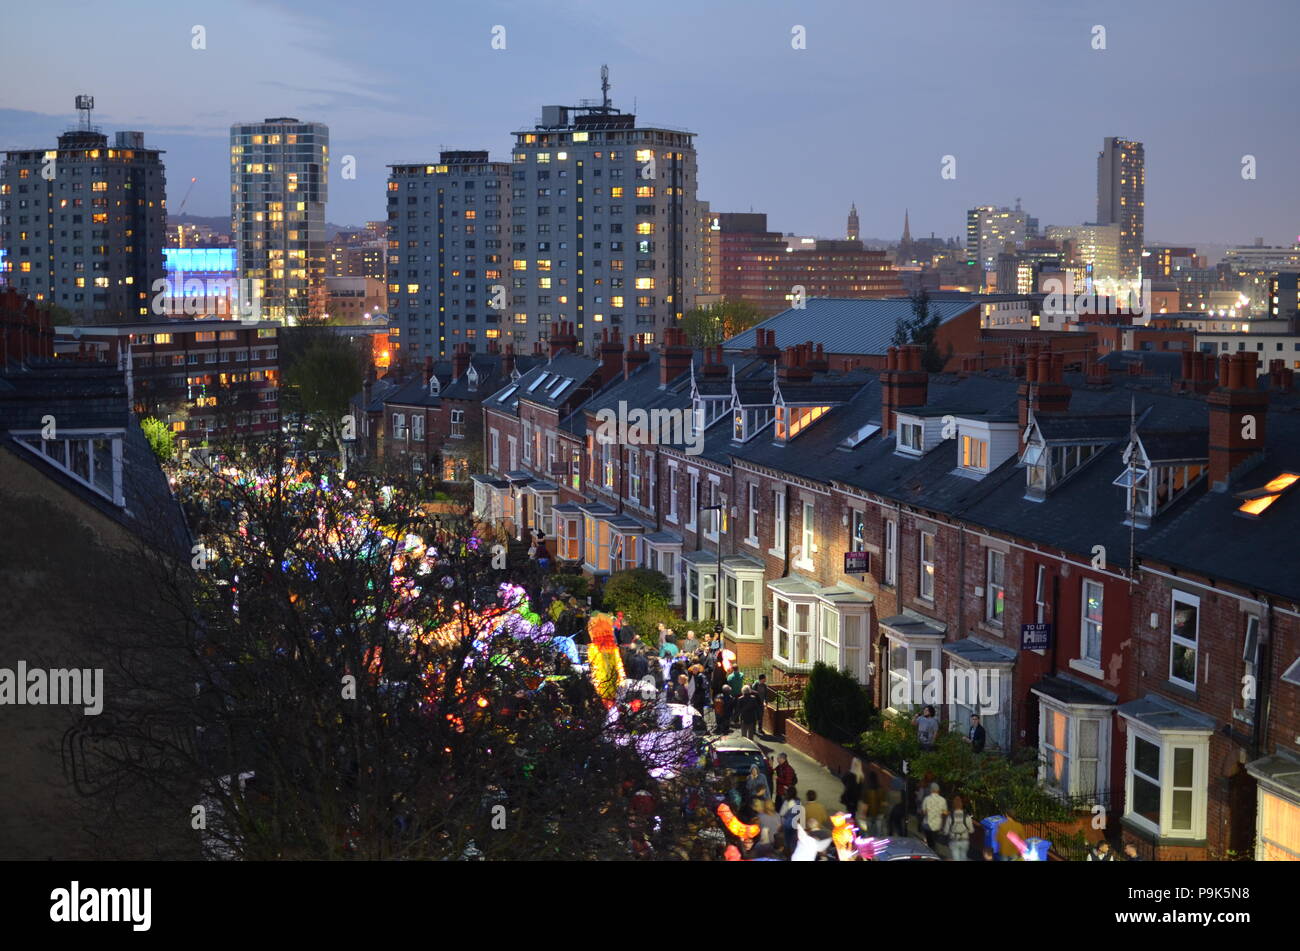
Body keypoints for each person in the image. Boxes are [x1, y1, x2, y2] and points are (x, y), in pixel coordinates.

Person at [944, 795, 974, 861]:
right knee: (963, 857)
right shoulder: (967, 816)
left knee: (955, 858)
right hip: (964, 841)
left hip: (954, 840)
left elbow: (945, 831)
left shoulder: (950, 817)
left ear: (953, 805)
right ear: (961, 805)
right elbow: (971, 830)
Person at [920, 782, 948, 851]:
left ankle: (929, 851)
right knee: (934, 841)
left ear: (931, 790)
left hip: (927, 824)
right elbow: (945, 813)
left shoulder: (927, 799)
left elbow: (923, 812)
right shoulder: (943, 800)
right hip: (937, 825)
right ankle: (933, 852)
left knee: (929, 842)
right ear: (938, 790)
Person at [861, 772, 885, 837]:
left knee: (868, 831)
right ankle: (877, 842)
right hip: (879, 813)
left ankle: (869, 842)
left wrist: (863, 814)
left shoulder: (867, 790)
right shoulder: (881, 789)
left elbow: (865, 805)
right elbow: (883, 803)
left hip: (869, 813)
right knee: (879, 832)